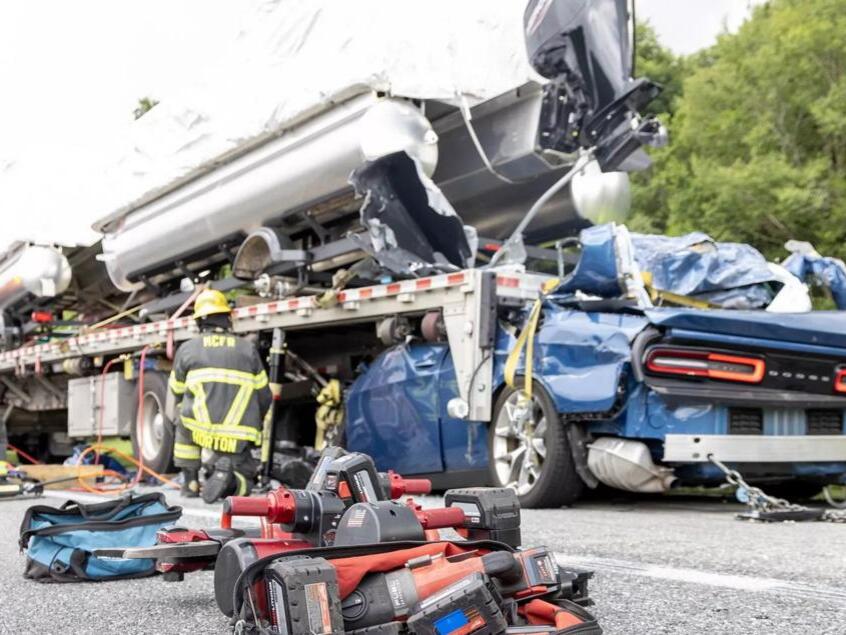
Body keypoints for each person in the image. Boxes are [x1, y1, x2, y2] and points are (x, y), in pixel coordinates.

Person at [168, 289, 271, 502]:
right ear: (227, 318)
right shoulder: (247, 349)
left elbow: (176, 391)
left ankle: (190, 482)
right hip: (238, 433)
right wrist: (254, 422)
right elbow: (264, 395)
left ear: (199, 321)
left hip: (199, 429)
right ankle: (231, 481)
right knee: (246, 481)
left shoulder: (187, 349)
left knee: (183, 421)